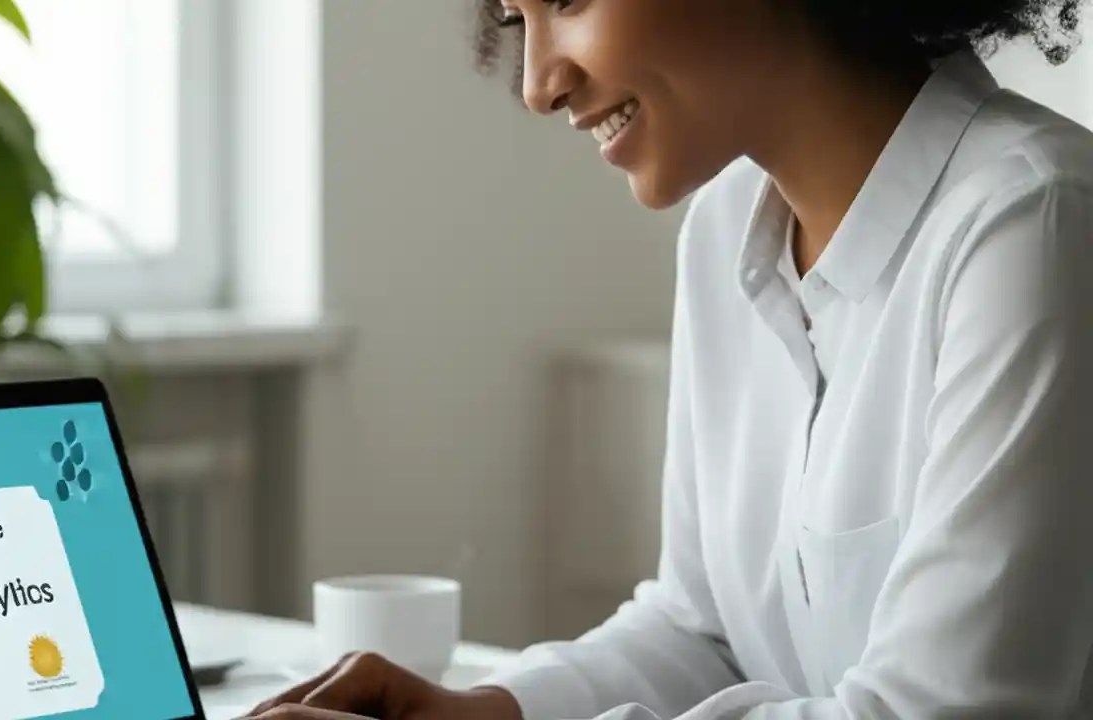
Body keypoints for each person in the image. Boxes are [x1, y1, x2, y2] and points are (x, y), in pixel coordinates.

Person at [243, 0, 1093, 717]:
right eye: (516, 18)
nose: (538, 83)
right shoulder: (724, 231)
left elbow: (943, 711)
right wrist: (485, 711)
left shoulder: (1035, 222)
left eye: (567, 1)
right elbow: (704, 634)